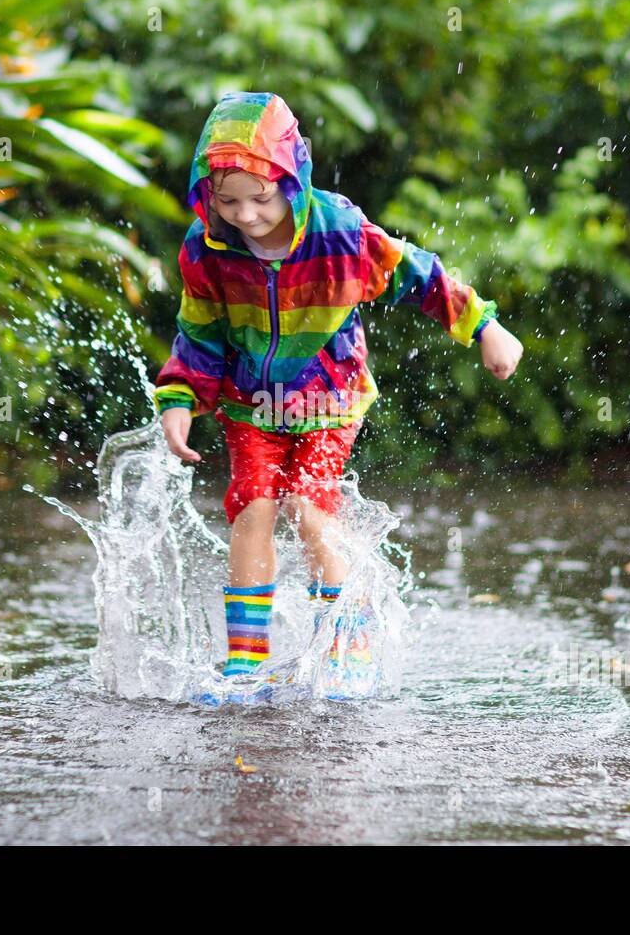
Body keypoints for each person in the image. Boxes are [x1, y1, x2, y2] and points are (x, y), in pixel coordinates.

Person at [152, 91, 522, 682]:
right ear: (208, 196)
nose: (246, 215)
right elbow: (198, 333)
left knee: (307, 505)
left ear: (291, 180)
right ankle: (246, 662)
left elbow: (415, 273)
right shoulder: (208, 249)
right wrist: (178, 399)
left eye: (261, 198)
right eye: (229, 202)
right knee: (253, 509)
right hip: (249, 404)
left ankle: (348, 645)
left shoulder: (338, 233)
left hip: (329, 398)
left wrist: (484, 326)